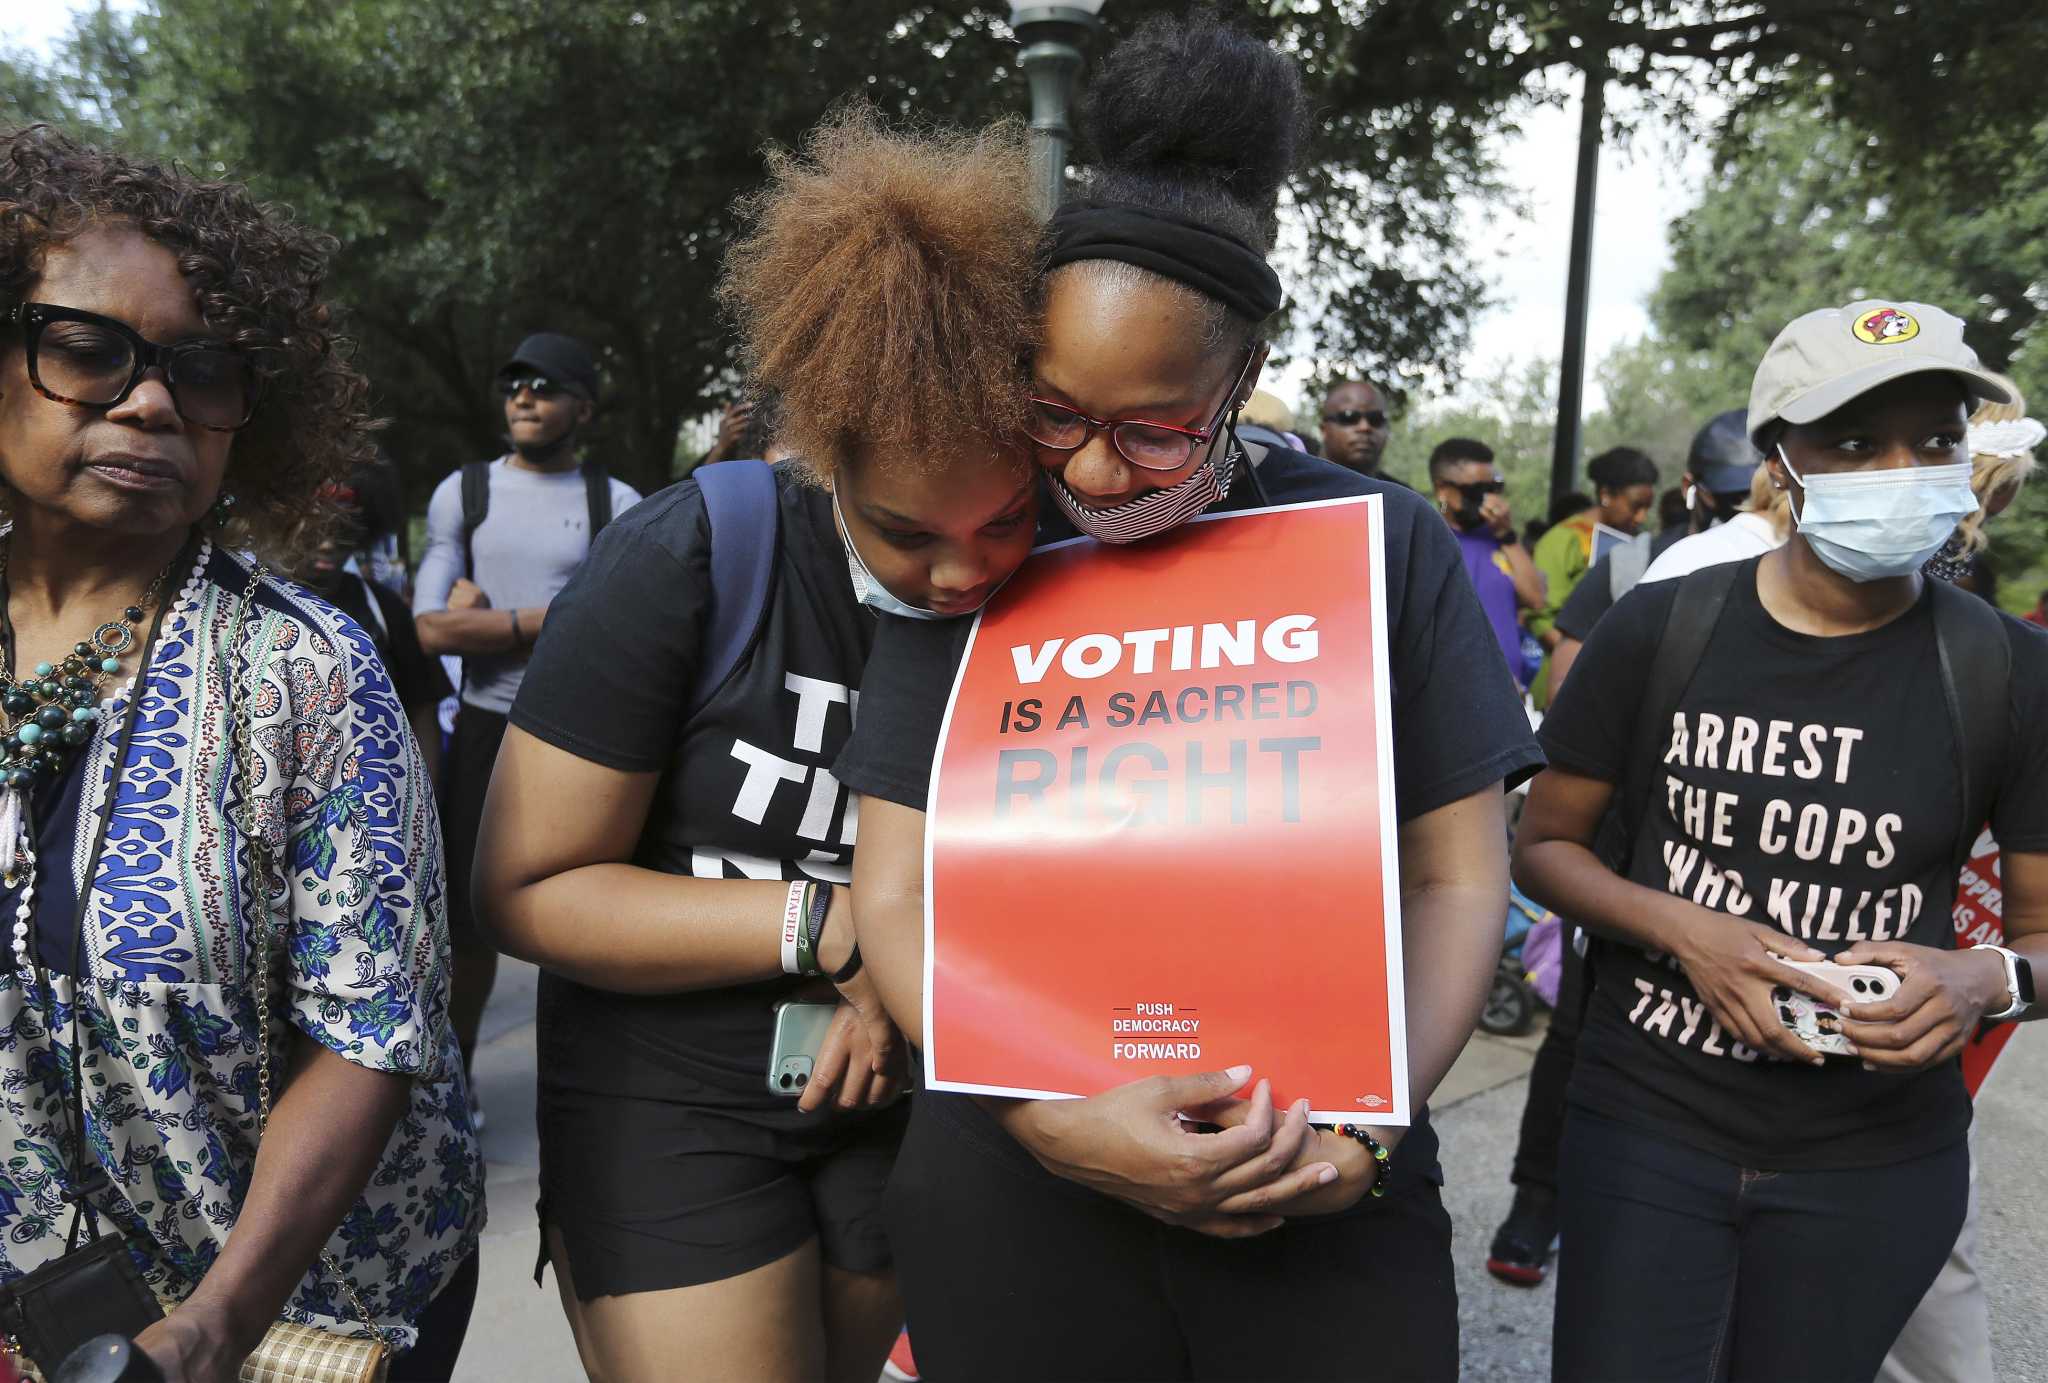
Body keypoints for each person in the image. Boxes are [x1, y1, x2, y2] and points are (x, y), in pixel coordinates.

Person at [832, 19, 1544, 1380]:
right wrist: (1038, 1113)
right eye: (1053, 414)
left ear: (1241, 376)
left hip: (1320, 1184)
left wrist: (1365, 1135)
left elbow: (1457, 880)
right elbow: (900, 886)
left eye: (1155, 426)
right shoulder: (984, 542)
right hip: (1017, 1179)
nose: (1095, 473)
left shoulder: (1375, 542)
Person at [468, 109, 1044, 1383]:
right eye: (907, 534)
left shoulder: (1051, 591)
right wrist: (832, 928)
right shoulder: (687, 554)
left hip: (913, 1103)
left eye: (1004, 520)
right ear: (819, 456)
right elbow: (524, 887)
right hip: (669, 1101)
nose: (963, 573)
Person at [0, 126, 481, 1382]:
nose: (151, 400)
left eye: (203, 374)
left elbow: (373, 1031)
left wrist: (220, 1323)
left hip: (303, 1314)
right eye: (87, 350)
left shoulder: (303, 671)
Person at [1514, 298, 2047, 1383]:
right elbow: (1542, 848)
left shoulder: (2003, 671)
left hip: (1874, 1160)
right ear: (1778, 461)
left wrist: (1978, 980)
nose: (1901, 469)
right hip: (1646, 1128)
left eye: (1935, 439)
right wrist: (1685, 932)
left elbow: (2038, 933)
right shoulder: (1662, 629)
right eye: (1853, 443)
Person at [413, 332, 643, 1085]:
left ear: (582, 406)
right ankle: (458, 1082)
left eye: (544, 386)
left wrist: (493, 619)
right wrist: (546, 619)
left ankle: (596, 1085)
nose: (524, 397)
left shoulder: (617, 503)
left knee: (590, 916)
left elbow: (625, 627)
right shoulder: (465, 491)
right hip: (483, 729)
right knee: (466, 931)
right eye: (515, 383)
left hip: (583, 738)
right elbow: (431, 626)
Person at [307, 469, 451, 786]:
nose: (329, 543)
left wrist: (427, 807)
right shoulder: (250, 603)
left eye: (343, 530)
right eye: (315, 530)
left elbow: (423, 712)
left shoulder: (387, 609)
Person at [1527, 446, 1658, 706]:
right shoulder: (1561, 540)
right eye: (1635, 506)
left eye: (1647, 507)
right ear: (1606, 494)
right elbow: (1541, 615)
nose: (1641, 516)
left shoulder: (1639, 545)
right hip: (1565, 684)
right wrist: (1584, 657)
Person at [1430, 437, 1544, 688]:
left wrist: (1507, 535)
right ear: (1442, 489)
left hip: (1512, 693)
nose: (1487, 499)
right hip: (1458, 693)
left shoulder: (1500, 539)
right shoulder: (1429, 540)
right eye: (1476, 491)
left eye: (1493, 488)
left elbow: (1535, 599)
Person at [1318, 376, 1396, 480]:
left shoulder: (1401, 494)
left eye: (1376, 419)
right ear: (1324, 430)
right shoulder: (1297, 490)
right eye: (1349, 417)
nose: (1365, 427)